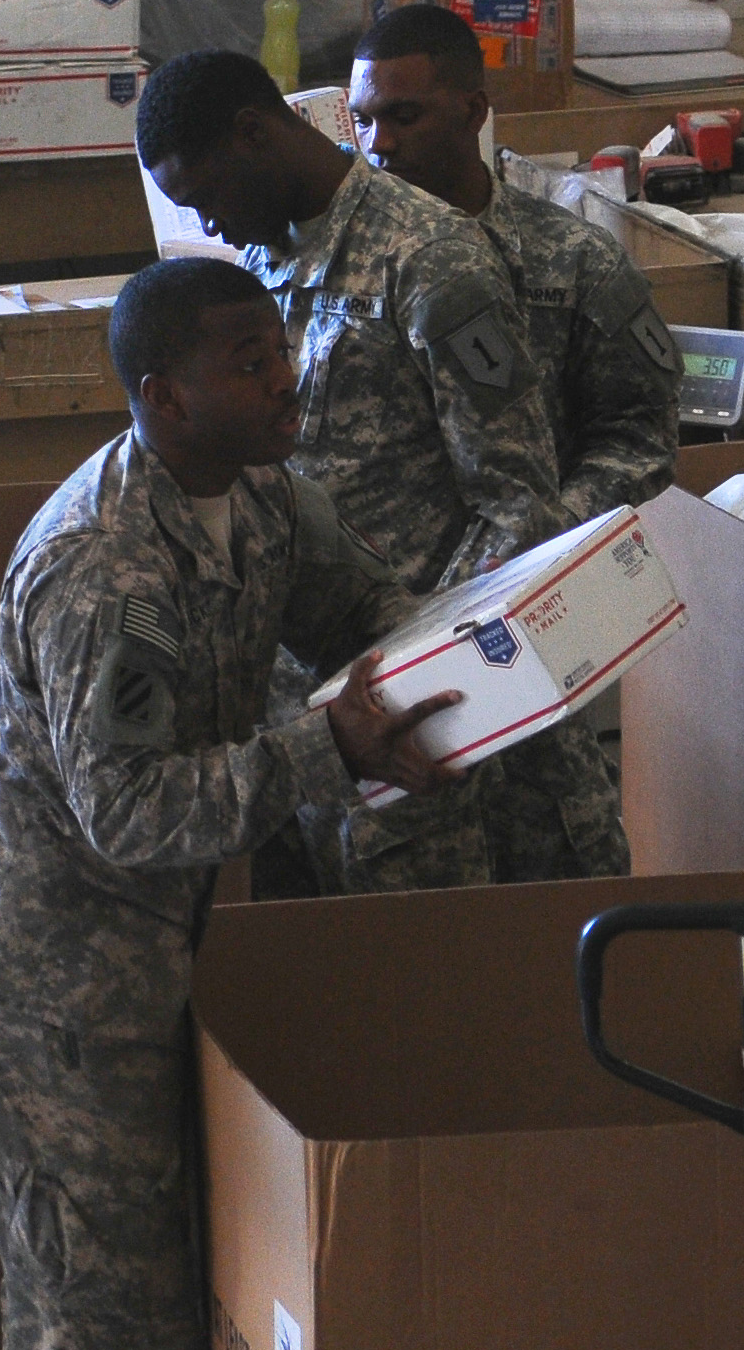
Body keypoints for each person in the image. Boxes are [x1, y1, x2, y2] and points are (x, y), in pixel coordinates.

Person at [0, 256, 463, 1350]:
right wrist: (325, 750)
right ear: (161, 397)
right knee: (113, 1300)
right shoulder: (102, 569)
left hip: (133, 950)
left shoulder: (269, 499)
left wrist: (469, 666)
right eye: (242, 360)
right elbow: (133, 813)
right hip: (45, 967)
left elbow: (369, 616)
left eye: (277, 347)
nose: (280, 377)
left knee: (72, 1272)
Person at [136, 49, 564, 893]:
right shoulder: (260, 262)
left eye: (208, 198)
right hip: (292, 728)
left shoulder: (431, 259)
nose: (210, 227)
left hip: (407, 716)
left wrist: (427, 673)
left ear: (254, 135)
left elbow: (516, 501)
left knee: (410, 994)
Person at [348, 0, 680, 880]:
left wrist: (546, 538)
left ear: (471, 110)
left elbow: (641, 429)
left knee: (566, 877)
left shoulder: (570, 262)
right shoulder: (341, 272)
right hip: (387, 635)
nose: (378, 145)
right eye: (362, 121)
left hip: (526, 623)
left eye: (403, 116)